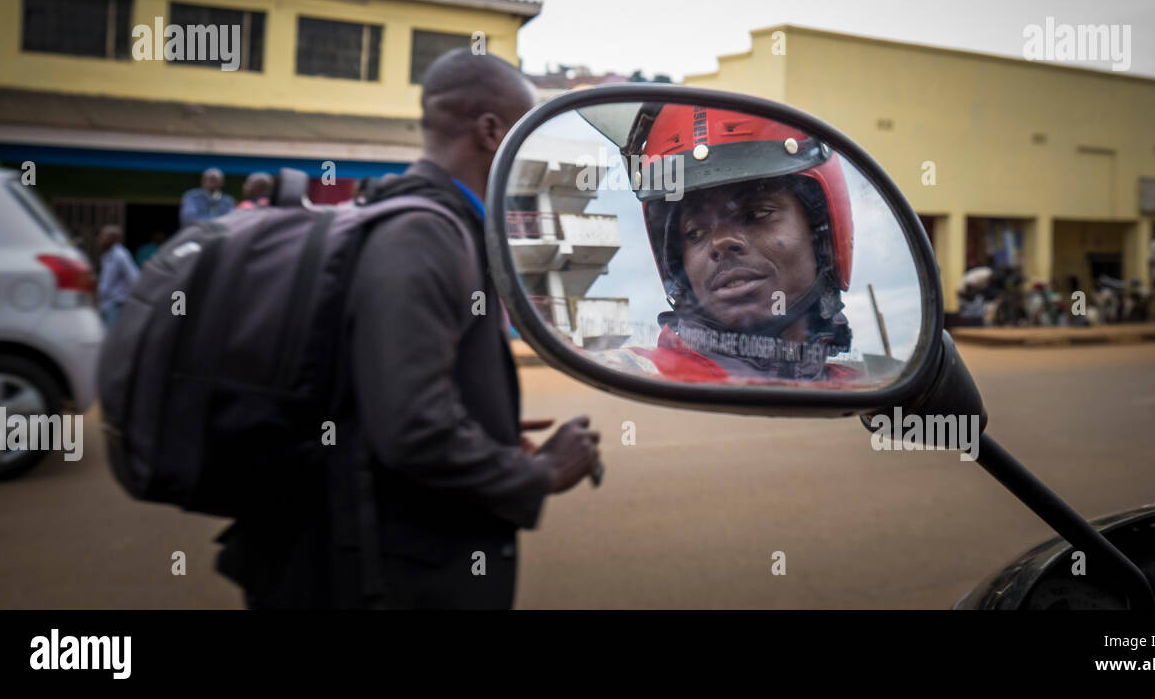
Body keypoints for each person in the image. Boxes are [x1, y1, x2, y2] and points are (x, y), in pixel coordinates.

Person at [215, 49, 600, 610]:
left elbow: (380, 392)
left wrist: (482, 421)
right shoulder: (425, 234)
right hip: (381, 576)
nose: (534, 149)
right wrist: (535, 471)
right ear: (492, 131)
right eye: (528, 126)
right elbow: (413, 427)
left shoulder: (429, 220)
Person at [596, 104, 862, 385]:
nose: (722, 242)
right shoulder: (637, 378)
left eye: (756, 215)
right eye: (696, 232)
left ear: (821, 238)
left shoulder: (864, 391)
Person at [96, 225, 139, 328]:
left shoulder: (121, 255)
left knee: (112, 336)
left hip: (116, 304)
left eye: (103, 236)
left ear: (113, 238)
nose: (99, 239)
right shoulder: (106, 256)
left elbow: (134, 278)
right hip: (105, 303)